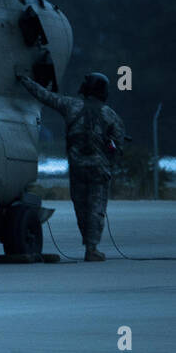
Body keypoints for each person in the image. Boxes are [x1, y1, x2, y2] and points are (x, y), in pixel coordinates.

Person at [17, 71, 125, 261]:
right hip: (99, 170)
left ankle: (88, 244)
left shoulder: (71, 106)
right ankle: (91, 248)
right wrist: (109, 165)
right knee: (96, 208)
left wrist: (25, 80)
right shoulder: (110, 115)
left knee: (81, 207)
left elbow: (46, 96)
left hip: (77, 168)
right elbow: (118, 146)